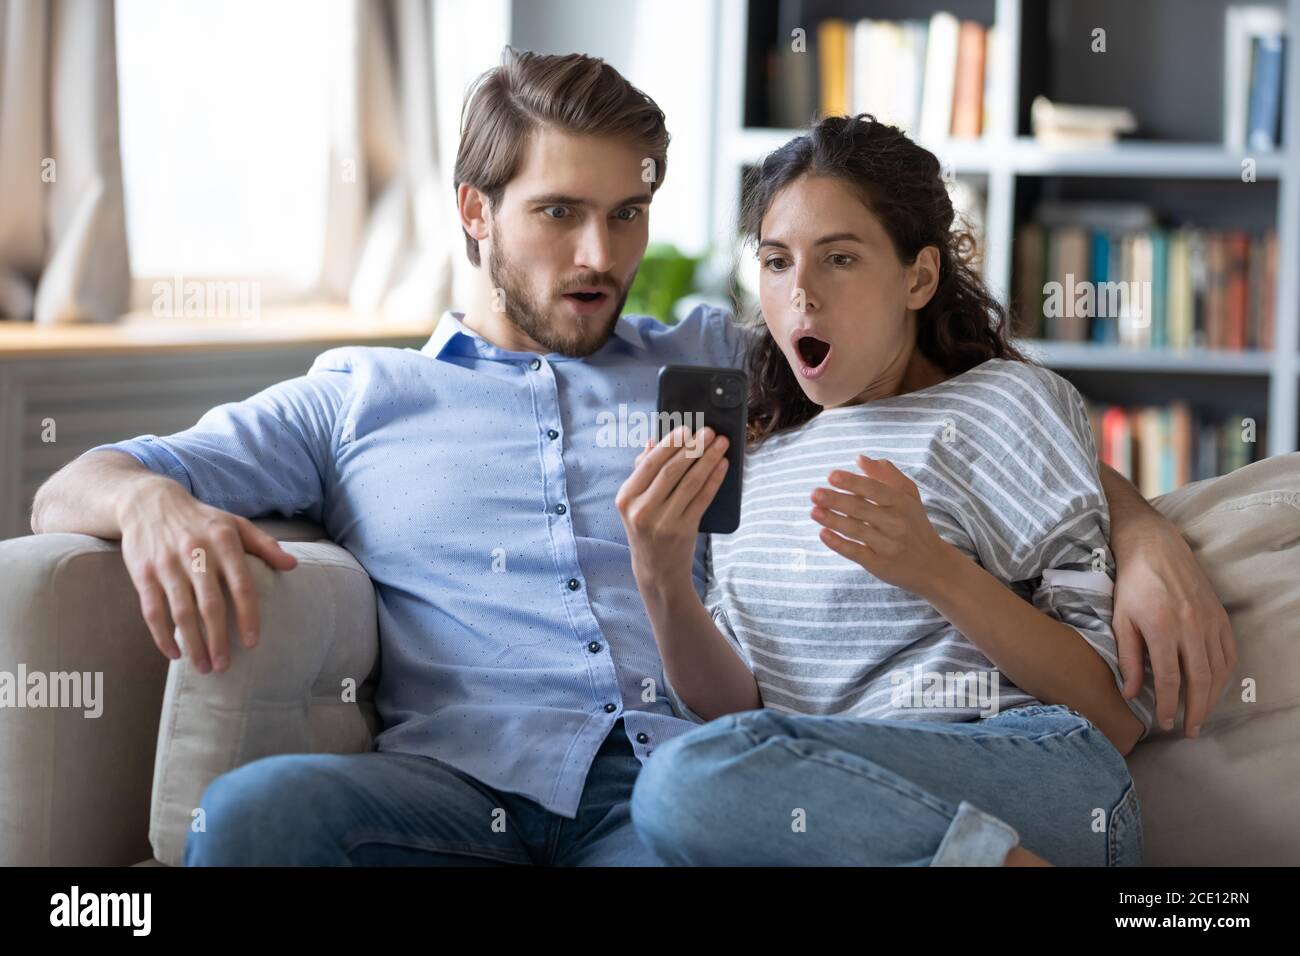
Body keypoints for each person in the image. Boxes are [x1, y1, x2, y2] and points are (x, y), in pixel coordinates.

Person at [30, 49, 1233, 866]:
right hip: (460, 787)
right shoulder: (358, 396)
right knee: (253, 812)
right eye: (559, 212)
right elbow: (70, 478)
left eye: (628, 211)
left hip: (689, 774)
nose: (600, 251)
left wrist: (1137, 526)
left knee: (716, 805)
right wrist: (149, 504)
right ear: (473, 214)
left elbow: (936, 393)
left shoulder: (721, 361)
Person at [620, 115, 1228, 866]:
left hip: (1038, 770)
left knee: (683, 782)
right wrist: (661, 577)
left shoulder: (1007, 404)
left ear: (919, 276)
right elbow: (741, 711)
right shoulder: (762, 455)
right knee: (690, 782)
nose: (801, 293)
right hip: (844, 806)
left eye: (839, 258)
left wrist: (937, 570)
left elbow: (1112, 713)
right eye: (776, 262)